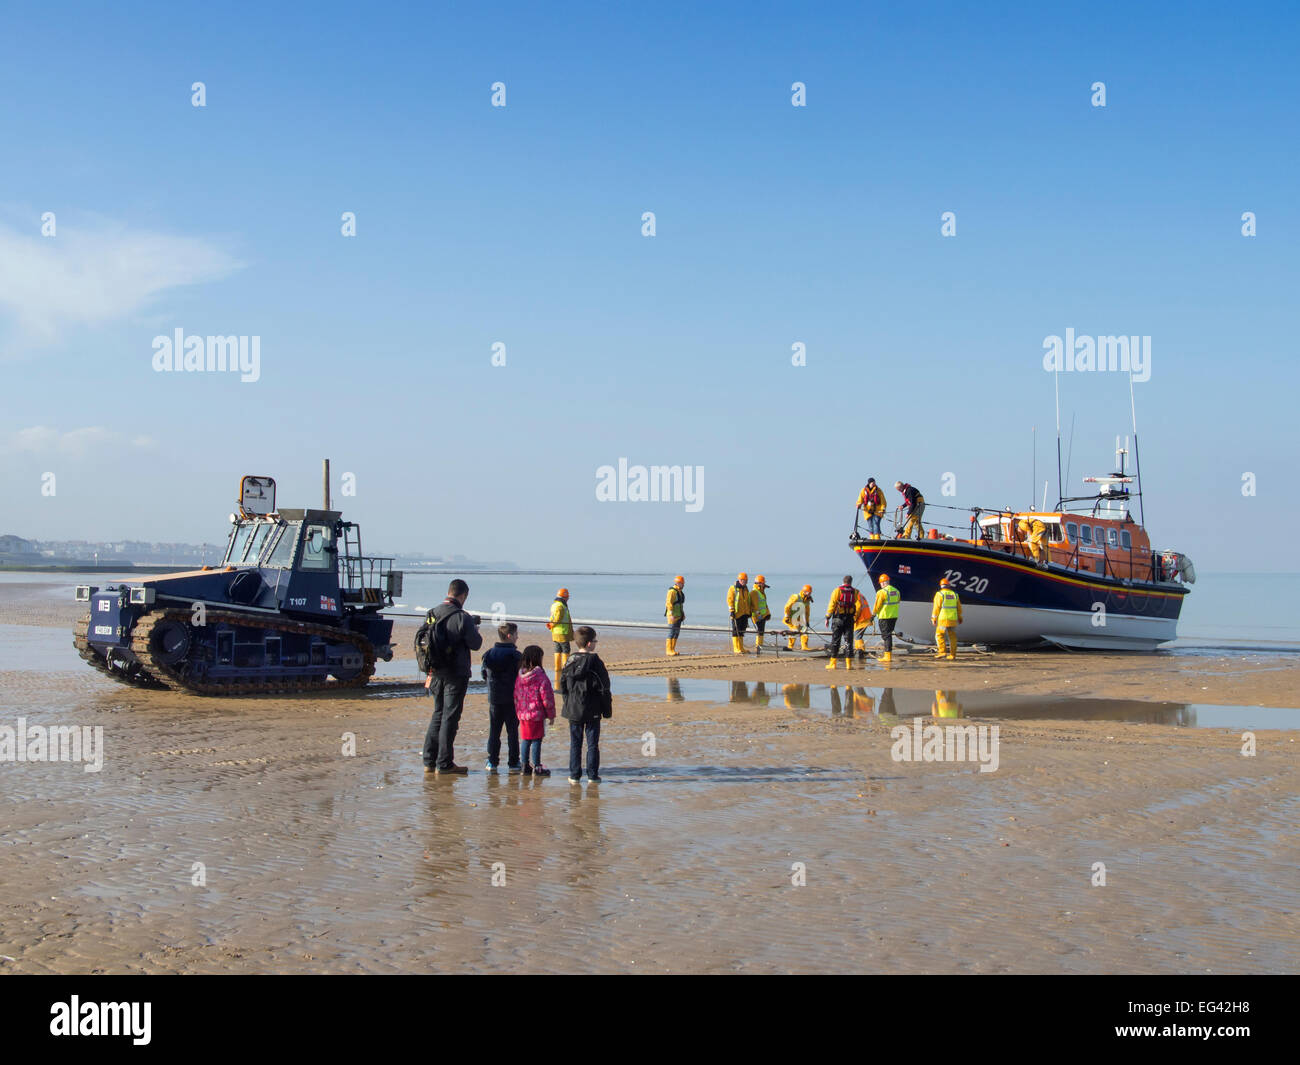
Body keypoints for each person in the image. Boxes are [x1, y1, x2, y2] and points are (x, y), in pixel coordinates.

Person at [422, 579, 484, 775]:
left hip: (435, 671)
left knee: (438, 713)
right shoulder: (461, 617)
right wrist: (473, 629)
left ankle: (429, 760)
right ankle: (445, 763)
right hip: (455, 673)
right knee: (450, 717)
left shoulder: (432, 613)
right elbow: (476, 644)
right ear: (463, 595)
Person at [560, 626, 612, 785]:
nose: (596, 643)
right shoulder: (593, 661)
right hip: (590, 709)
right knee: (591, 744)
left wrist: (568, 703)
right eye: (595, 641)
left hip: (576, 708)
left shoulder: (570, 660)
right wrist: (606, 709)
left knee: (577, 743)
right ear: (589, 643)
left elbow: (563, 686)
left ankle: (576, 775)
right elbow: (605, 688)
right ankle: (590, 775)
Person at [480, 622, 523, 773]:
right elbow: (522, 676)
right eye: (516, 635)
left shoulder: (489, 654)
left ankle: (493, 761)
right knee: (512, 731)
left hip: (495, 697)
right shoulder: (516, 656)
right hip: (511, 699)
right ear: (510, 636)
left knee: (495, 730)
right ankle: (513, 762)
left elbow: (484, 674)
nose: (518, 637)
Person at [514, 644, 556, 776]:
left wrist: (518, 710)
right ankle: (537, 766)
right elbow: (547, 697)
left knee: (525, 739)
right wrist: (551, 715)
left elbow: (516, 695)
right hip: (536, 714)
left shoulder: (520, 676)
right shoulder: (540, 676)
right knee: (537, 739)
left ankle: (524, 765)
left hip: (523, 714)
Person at [824, 575, 858, 669]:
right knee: (848, 641)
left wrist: (827, 617)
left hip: (838, 619)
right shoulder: (855, 591)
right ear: (851, 582)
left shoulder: (837, 591)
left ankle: (833, 663)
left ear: (843, 581)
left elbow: (832, 604)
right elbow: (856, 602)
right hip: (850, 619)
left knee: (835, 641)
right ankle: (848, 664)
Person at [931, 577, 963, 660]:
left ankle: (942, 652)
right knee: (952, 637)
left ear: (941, 586)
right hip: (953, 619)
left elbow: (936, 607)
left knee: (939, 635)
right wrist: (960, 617)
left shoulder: (940, 594)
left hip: (943, 620)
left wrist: (934, 618)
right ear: (949, 585)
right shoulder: (955, 594)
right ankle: (953, 655)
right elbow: (959, 607)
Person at [547, 587, 573, 685]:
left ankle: (558, 667)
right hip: (562, 632)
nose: (568, 599)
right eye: (567, 597)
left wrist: (551, 625)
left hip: (556, 632)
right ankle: (564, 667)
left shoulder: (555, 605)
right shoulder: (560, 606)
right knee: (565, 649)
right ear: (564, 597)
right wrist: (551, 624)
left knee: (557, 649)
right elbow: (557, 618)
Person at [873, 574, 901, 663]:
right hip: (893, 616)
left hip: (884, 616)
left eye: (880, 583)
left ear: (883, 582)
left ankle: (887, 656)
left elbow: (877, 605)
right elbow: (898, 601)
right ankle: (888, 654)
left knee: (886, 636)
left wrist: (873, 615)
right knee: (888, 635)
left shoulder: (881, 592)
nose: (880, 584)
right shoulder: (896, 591)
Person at [784, 584, 814, 650]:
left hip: (801, 620)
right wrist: (786, 616)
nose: (810, 594)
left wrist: (807, 622)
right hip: (792, 618)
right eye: (809, 592)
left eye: (810, 593)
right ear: (805, 592)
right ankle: (790, 647)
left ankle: (804, 647)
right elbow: (787, 606)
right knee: (794, 631)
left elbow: (807, 613)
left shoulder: (807, 600)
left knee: (804, 631)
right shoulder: (795, 597)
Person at [727, 573, 751, 655]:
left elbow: (747, 600)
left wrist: (749, 611)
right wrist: (732, 611)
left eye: (746, 580)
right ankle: (736, 648)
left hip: (744, 613)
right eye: (744, 580)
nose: (745, 582)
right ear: (740, 580)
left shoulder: (745, 589)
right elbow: (730, 600)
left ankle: (741, 648)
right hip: (736, 613)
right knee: (735, 630)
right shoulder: (733, 588)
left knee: (742, 631)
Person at [749, 575, 772, 651]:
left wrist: (767, 614)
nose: (764, 584)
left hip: (762, 615)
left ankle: (760, 645)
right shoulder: (754, 592)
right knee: (760, 631)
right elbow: (755, 606)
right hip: (758, 616)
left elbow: (764, 604)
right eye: (763, 583)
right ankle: (758, 645)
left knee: (761, 631)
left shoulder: (761, 592)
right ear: (759, 583)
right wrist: (759, 616)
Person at [664, 575, 685, 656]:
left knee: (676, 633)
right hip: (672, 616)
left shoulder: (679, 591)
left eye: (683, 584)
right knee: (671, 632)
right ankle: (668, 650)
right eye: (682, 584)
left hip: (679, 615)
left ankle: (673, 649)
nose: (683, 585)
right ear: (678, 583)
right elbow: (668, 603)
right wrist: (671, 614)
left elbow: (680, 604)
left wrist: (683, 614)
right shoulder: (672, 591)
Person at [853, 584, 875, 656]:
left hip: (862, 619)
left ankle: (860, 652)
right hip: (866, 618)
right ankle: (859, 650)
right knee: (858, 636)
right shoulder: (860, 594)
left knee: (857, 636)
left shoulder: (855, 596)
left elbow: (857, 608)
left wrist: (854, 619)